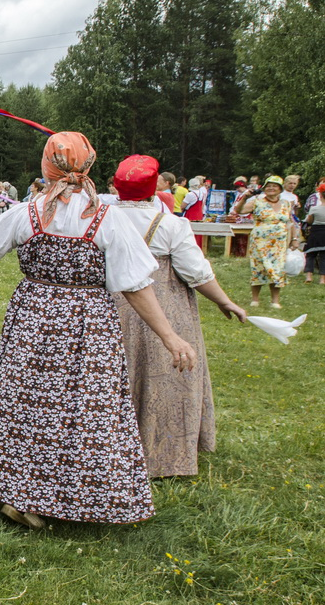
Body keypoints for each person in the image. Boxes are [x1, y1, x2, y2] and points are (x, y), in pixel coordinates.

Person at [0, 132, 196, 529]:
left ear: (46, 167)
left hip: (32, 319)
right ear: (89, 166)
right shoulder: (109, 219)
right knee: (85, 408)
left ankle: (22, 493)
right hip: (87, 325)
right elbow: (135, 285)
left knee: (28, 404)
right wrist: (169, 334)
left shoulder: (27, 212)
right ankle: (72, 494)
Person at [110, 155, 247, 477]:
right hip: (163, 305)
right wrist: (225, 302)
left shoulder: (101, 219)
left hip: (109, 305)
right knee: (163, 377)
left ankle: (112, 449)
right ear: (153, 189)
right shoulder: (171, 225)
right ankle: (163, 453)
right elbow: (196, 273)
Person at [232, 176, 294, 308]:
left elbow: (290, 222)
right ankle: (255, 299)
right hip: (260, 243)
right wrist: (245, 198)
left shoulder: (286, 203)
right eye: (268, 186)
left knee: (277, 269)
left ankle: (275, 301)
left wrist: (294, 239)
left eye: (275, 186)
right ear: (264, 188)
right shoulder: (257, 202)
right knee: (259, 268)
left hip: (279, 244)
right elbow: (238, 211)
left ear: (280, 189)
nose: (271, 188)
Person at [303, 182, 325, 285]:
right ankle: (322, 279)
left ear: (320, 195)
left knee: (310, 255)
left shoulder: (314, 208)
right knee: (324, 257)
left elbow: (309, 221)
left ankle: (309, 276)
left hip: (316, 233)